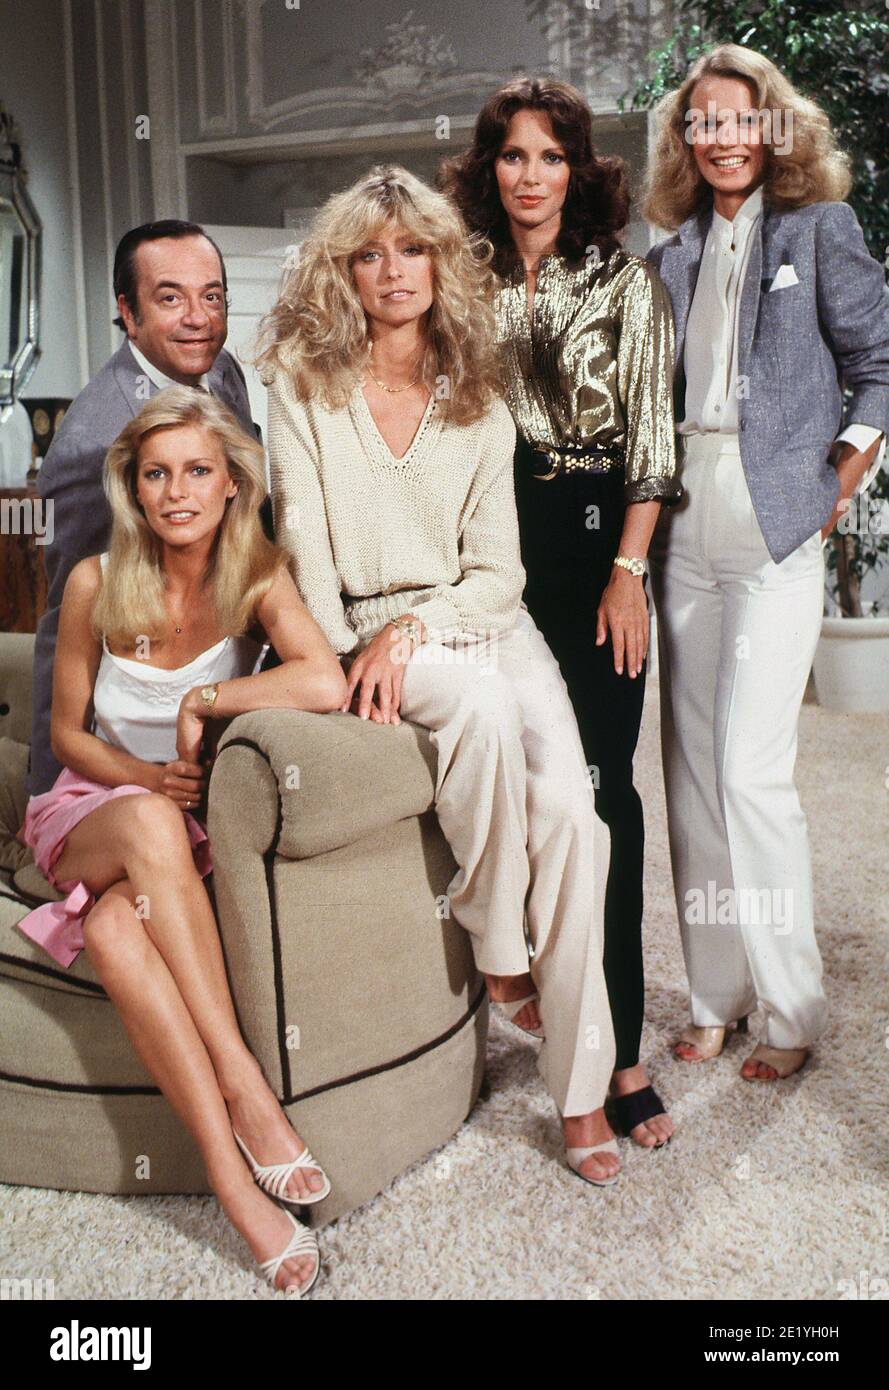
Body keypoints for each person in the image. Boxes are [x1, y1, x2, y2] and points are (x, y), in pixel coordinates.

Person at [257, 164, 623, 1186]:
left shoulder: (477, 396)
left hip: (477, 619)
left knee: (577, 819)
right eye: (369, 255)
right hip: (366, 628)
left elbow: (499, 576)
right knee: (475, 705)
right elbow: (307, 553)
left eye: (412, 249)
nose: (393, 270)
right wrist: (350, 652)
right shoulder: (301, 385)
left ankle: (581, 1090)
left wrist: (421, 626)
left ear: (440, 264)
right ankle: (500, 947)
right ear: (341, 273)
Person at [16, 387, 347, 1294]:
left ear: (232, 482)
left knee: (117, 933)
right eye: (156, 474)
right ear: (133, 487)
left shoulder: (257, 575)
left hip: (172, 835)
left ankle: (232, 1185)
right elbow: (67, 735)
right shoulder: (94, 580)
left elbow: (323, 682)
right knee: (152, 818)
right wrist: (145, 777)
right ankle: (247, 1087)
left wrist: (208, 697)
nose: (177, 493)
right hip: (88, 811)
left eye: (198, 471)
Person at [440, 78, 680, 1148]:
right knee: (519, 775)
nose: (529, 176)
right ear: (487, 169)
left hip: (594, 547)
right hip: (490, 538)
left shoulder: (626, 283)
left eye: (549, 156)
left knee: (602, 792)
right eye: (511, 156)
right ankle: (520, 982)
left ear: (578, 170)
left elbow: (652, 447)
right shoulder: (457, 280)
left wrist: (628, 571)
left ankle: (619, 1051)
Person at [644, 43, 889, 1079]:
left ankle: (790, 1011)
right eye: (702, 122)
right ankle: (717, 996)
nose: (722, 139)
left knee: (750, 772)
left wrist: (841, 478)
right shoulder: (668, 253)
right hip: (683, 515)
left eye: (740, 119)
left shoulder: (818, 229)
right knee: (692, 776)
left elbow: (879, 365)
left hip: (777, 511)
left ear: (772, 128)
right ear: (686, 139)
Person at [29, 219, 260, 797]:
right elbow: (66, 616)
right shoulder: (93, 445)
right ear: (128, 314)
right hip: (134, 739)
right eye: (170, 299)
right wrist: (49, 782)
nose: (198, 318)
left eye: (212, 297)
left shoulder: (218, 368)